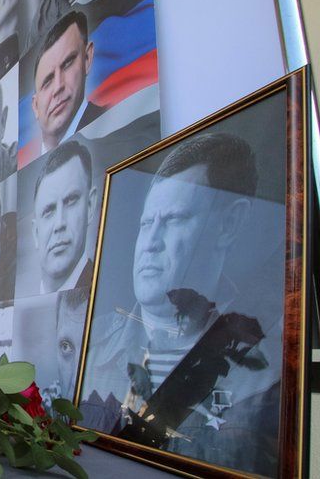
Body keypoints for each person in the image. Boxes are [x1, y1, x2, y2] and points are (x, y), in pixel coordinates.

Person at [81, 133, 280, 476]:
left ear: (229, 224)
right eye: (146, 224)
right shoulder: (91, 342)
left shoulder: (268, 367)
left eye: (173, 219)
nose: (150, 244)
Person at [30, 11, 104, 155]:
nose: (58, 86)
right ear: (35, 106)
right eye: (47, 81)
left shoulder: (112, 129)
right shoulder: (30, 165)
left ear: (87, 58)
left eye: (67, 64)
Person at [31, 140, 96, 293]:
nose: (60, 223)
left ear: (90, 206)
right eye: (49, 211)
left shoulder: (106, 289)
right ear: (35, 233)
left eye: (71, 201)